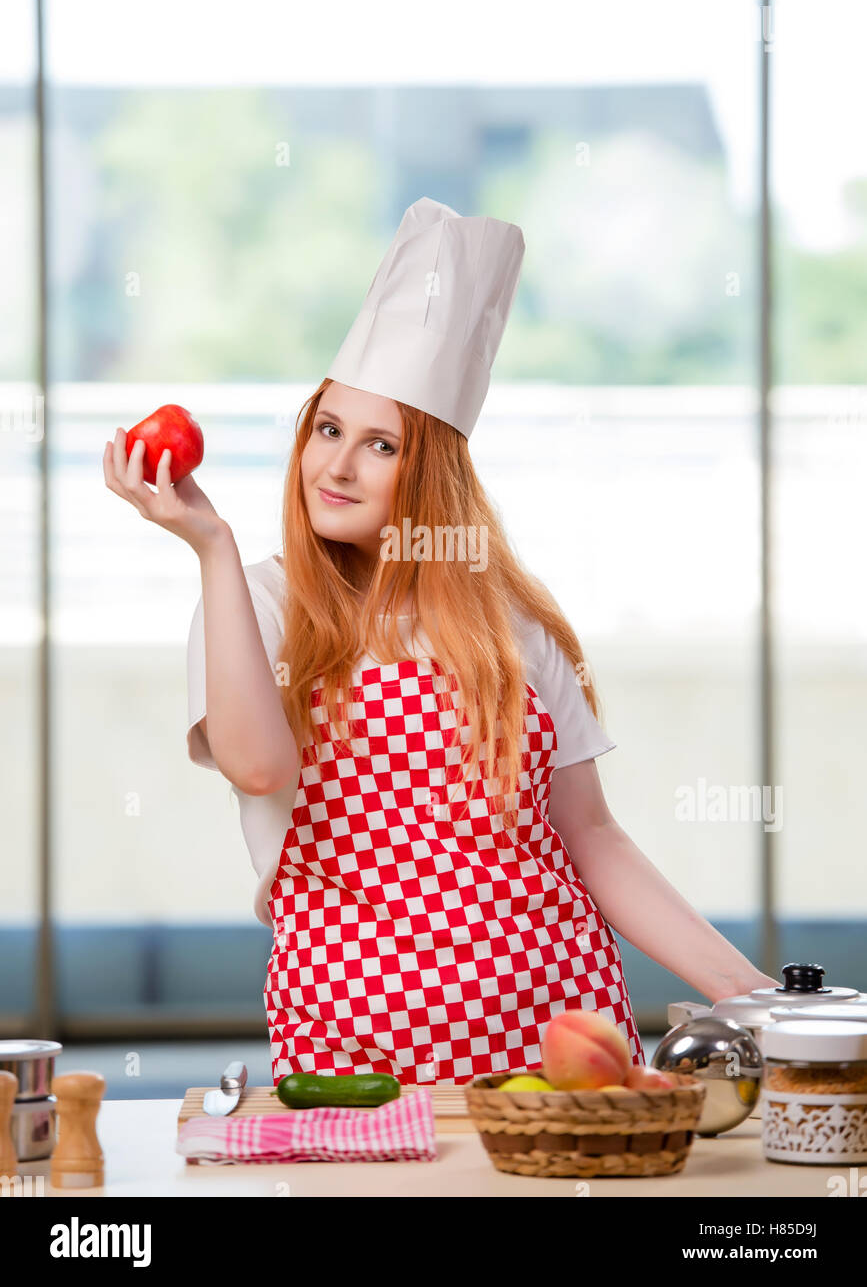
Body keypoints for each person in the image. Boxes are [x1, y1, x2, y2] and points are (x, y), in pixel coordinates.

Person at [104, 196, 776, 1086]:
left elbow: (592, 836)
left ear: (428, 475)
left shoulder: (515, 623)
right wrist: (211, 545)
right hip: (356, 1052)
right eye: (328, 430)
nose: (336, 466)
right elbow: (258, 768)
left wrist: (754, 997)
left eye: (380, 445)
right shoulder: (256, 602)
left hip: (559, 1037)